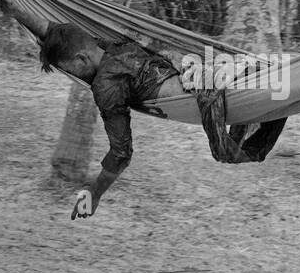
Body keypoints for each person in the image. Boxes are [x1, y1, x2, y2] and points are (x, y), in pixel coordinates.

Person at [30, 20, 286, 219]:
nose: (74, 75)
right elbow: (52, 29)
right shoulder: (113, 44)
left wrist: (94, 194)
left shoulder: (105, 86)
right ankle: (279, 103)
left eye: (70, 70)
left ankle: (279, 106)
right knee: (254, 136)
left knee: (227, 153)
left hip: (209, 89)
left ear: (81, 59)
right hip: (230, 70)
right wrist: (15, 11)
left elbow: (121, 154)